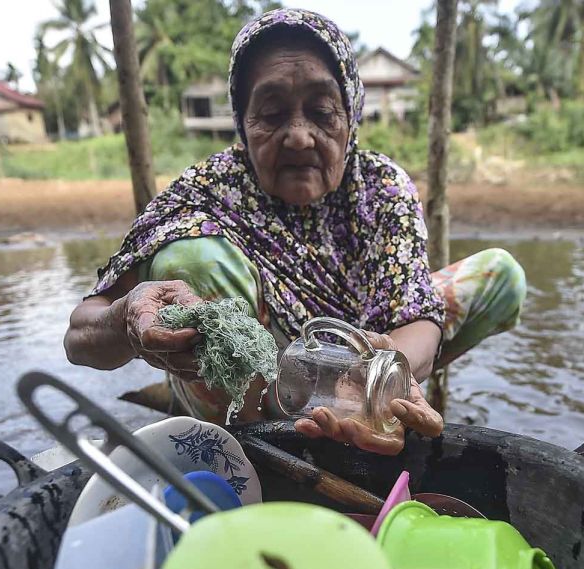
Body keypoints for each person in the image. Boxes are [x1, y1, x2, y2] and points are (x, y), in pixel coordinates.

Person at [64, 8, 525, 455]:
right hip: (245, 385)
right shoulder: (206, 192)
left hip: (353, 365)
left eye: (323, 111)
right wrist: (127, 319)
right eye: (271, 112)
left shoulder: (381, 187)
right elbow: (80, 335)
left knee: (501, 275)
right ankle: (255, 446)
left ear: (351, 117)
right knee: (191, 259)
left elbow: (415, 314)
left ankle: (360, 403)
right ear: (243, 126)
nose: (300, 136)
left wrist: (376, 380)